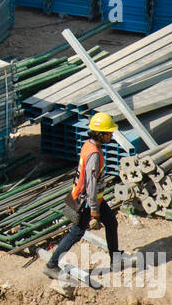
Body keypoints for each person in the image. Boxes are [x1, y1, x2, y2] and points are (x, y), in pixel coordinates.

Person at [45, 112, 131, 279]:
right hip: (85, 202)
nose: (112, 135)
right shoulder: (94, 155)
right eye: (109, 132)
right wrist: (94, 210)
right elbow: (90, 185)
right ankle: (51, 265)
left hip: (86, 198)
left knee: (111, 223)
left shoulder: (89, 145)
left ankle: (115, 257)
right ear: (101, 134)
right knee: (75, 234)